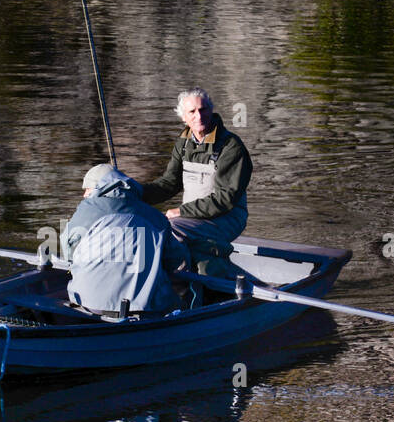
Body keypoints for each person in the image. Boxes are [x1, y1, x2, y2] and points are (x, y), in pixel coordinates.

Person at [61, 164, 190, 314]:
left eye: (87, 189)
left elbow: (68, 252)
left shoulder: (86, 210)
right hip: (143, 308)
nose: (84, 195)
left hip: (86, 302)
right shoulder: (156, 217)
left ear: (98, 188)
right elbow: (175, 260)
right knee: (181, 301)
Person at [139, 88, 252, 255]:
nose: (199, 116)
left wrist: (181, 211)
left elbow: (225, 199)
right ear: (183, 117)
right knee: (144, 225)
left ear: (211, 110)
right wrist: (135, 192)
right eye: (192, 111)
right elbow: (169, 184)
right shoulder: (183, 144)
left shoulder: (231, 146)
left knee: (170, 229)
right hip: (192, 217)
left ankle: (193, 274)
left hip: (228, 218)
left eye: (203, 109)